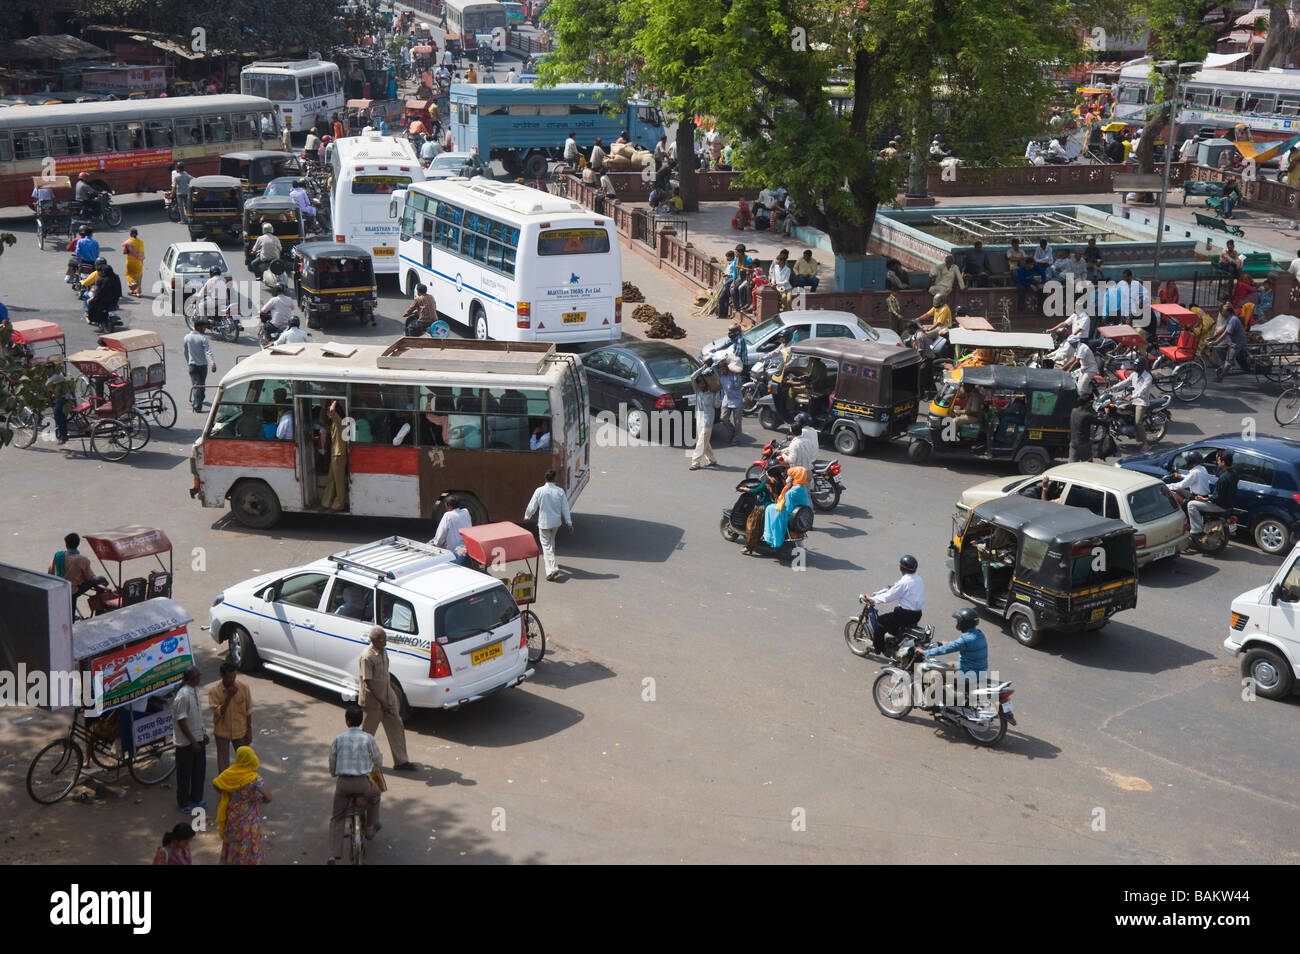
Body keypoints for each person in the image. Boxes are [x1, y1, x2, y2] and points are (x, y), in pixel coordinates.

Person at [328, 705, 384, 864]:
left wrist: (333, 773)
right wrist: (374, 766)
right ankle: (370, 829)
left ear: (347, 721)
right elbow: (378, 760)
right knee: (375, 796)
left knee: (337, 818)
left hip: (343, 784)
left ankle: (332, 855)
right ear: (360, 721)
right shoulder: (368, 738)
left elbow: (332, 760)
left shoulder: (339, 738)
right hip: (363, 784)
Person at [357, 627, 414, 770]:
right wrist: (382, 703)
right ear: (374, 640)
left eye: (385, 639)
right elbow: (368, 683)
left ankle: (401, 761)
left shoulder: (383, 651)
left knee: (396, 727)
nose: (385, 642)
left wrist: (389, 699)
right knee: (367, 734)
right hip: (374, 702)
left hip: (388, 697)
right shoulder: (367, 656)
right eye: (382, 639)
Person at [210, 745, 270, 865]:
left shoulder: (229, 773)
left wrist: (227, 794)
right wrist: (257, 800)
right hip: (250, 818)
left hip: (233, 815)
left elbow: (216, 784)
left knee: (233, 842)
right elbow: (269, 797)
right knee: (250, 842)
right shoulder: (254, 778)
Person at [862, 554, 925, 654]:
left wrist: (872, 599)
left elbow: (888, 597)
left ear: (901, 568)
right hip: (917, 614)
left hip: (904, 615)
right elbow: (895, 588)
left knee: (881, 622)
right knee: (895, 625)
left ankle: (877, 648)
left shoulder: (904, 582)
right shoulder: (918, 579)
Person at [524, 469, 574, 580]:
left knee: (546, 547)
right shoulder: (560, 491)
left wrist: (527, 516)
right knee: (551, 543)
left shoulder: (539, 491)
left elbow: (532, 506)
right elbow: (565, 508)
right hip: (556, 523)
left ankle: (553, 569)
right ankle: (551, 568)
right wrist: (569, 523)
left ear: (545, 478)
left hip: (544, 523)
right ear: (554, 479)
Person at [173, 666, 208, 813]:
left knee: (199, 770)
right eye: (198, 676)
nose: (200, 679)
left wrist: (203, 733)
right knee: (184, 774)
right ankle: (183, 802)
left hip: (198, 738)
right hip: (186, 743)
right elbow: (182, 722)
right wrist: (193, 741)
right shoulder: (183, 696)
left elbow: (197, 715)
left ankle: (196, 797)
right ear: (193, 679)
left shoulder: (194, 691)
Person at [208, 662, 253, 773]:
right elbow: (219, 712)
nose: (232, 680)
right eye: (229, 677)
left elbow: (248, 711)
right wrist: (228, 696)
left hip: (240, 731)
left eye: (234, 676)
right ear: (222, 675)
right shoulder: (214, 691)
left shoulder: (244, 688)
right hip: (222, 732)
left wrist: (249, 731)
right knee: (223, 765)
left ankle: (244, 787)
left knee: (244, 762)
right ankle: (225, 789)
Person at [923, 608, 989, 681]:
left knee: (935, 674)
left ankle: (934, 692)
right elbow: (960, 645)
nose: (957, 622)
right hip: (979, 671)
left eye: (958, 621)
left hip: (968, 676)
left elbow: (946, 649)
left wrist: (924, 652)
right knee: (949, 664)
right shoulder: (979, 633)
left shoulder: (965, 639)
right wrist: (947, 643)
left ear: (964, 623)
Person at [1187, 451, 1238, 541]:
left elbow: (1216, 498)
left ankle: (1196, 530)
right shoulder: (1234, 474)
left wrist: (1203, 498)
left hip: (1220, 506)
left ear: (1223, 462)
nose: (1217, 462)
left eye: (1218, 460)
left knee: (1191, 504)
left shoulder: (1224, 478)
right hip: (1229, 504)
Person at [762, 466, 812, 549]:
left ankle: (771, 537)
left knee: (769, 508)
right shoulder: (802, 487)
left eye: (792, 476)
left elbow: (788, 506)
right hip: (801, 513)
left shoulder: (794, 490)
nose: (790, 478)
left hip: (791, 513)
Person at [49, 532, 108, 600]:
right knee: (102, 579)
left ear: (66, 544)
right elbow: (89, 577)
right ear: (78, 544)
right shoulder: (83, 559)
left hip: (58, 589)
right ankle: (98, 600)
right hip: (72, 591)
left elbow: (50, 572)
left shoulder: (57, 555)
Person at [1112, 355, 1153, 453]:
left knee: (1138, 422)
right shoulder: (1134, 374)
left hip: (1141, 402)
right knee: (1119, 408)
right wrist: (1113, 388)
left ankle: (1145, 444)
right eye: (1135, 365)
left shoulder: (1148, 377)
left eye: (1138, 365)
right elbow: (1125, 382)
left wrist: (1132, 397)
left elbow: (1143, 391)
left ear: (1143, 366)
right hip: (1132, 399)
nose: (1135, 367)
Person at [741, 467, 782, 555]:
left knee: (752, 525)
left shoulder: (766, 483)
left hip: (765, 507)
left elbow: (755, 491)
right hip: (779, 506)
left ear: (768, 473)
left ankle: (748, 547)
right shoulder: (782, 481)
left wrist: (745, 489)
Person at [183, 319, 218, 413]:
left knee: (196, 386)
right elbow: (208, 352)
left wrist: (188, 361)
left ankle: (199, 399)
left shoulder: (187, 337)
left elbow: (185, 352)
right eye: (204, 327)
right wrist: (212, 363)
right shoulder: (203, 338)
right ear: (198, 327)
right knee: (200, 386)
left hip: (192, 366)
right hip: (202, 366)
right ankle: (198, 406)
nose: (205, 329)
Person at [1208, 307, 1249, 382]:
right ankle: (1225, 363)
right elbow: (1223, 329)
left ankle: (1220, 377)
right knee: (1218, 348)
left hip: (1238, 343)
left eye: (1223, 312)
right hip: (1232, 341)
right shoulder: (1229, 318)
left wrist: (1216, 341)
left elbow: (1227, 332)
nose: (1222, 313)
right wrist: (1213, 337)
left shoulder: (1233, 319)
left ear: (1228, 312)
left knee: (1228, 361)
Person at [431, 495, 473, 563]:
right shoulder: (466, 512)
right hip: (466, 545)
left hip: (453, 549)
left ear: (448, 505)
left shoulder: (448, 515)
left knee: (431, 542)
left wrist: (435, 544)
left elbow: (440, 535)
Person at [689, 373, 718, 470]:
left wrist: (718, 393)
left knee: (701, 441)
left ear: (707, 383)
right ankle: (712, 459)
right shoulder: (697, 391)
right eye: (699, 384)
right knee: (704, 440)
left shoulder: (713, 393)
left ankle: (695, 462)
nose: (701, 386)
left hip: (708, 420)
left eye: (703, 384)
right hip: (699, 417)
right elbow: (692, 377)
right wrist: (702, 368)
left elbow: (717, 405)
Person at [86, 261, 122, 331]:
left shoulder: (101, 280)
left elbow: (98, 292)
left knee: (89, 302)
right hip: (114, 300)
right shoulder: (116, 277)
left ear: (103, 272)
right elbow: (119, 289)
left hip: (102, 301)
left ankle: (93, 319)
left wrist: (92, 299)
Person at [717, 356, 744, 444]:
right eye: (721, 370)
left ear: (728, 368)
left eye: (724, 369)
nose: (722, 371)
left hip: (736, 401)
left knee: (737, 421)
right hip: (726, 400)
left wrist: (735, 374)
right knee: (723, 418)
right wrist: (722, 359)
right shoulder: (721, 376)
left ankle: (737, 437)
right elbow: (714, 366)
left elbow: (738, 386)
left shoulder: (735, 375)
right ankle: (731, 431)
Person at [121, 228, 144, 296]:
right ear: (136, 234)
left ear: (130, 234)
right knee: (139, 276)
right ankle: (138, 291)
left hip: (130, 262)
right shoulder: (141, 242)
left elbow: (124, 252)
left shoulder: (128, 242)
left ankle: (133, 287)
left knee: (129, 275)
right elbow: (142, 253)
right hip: (139, 262)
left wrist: (129, 250)